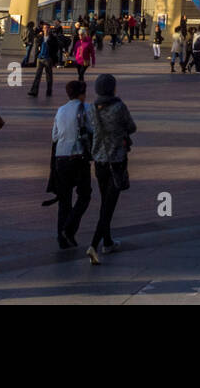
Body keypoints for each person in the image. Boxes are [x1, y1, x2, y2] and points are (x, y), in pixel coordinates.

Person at [85, 74, 137, 265]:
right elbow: (132, 127)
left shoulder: (92, 108)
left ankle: (107, 242)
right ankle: (93, 245)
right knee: (108, 207)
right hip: (116, 161)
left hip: (99, 161)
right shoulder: (119, 107)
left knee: (105, 202)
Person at [50, 78, 93, 248]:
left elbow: (54, 136)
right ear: (82, 93)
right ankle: (69, 228)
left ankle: (61, 236)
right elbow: (93, 129)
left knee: (64, 199)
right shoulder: (86, 108)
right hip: (79, 156)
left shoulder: (60, 110)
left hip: (61, 158)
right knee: (84, 195)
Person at [28, 23, 58, 97]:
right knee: (37, 75)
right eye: (45, 28)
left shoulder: (53, 38)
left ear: (50, 29)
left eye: (47, 28)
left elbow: (56, 48)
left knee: (49, 76)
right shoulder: (40, 37)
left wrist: (52, 58)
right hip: (40, 58)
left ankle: (49, 91)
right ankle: (34, 91)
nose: (46, 29)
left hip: (48, 58)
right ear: (43, 29)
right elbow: (36, 45)